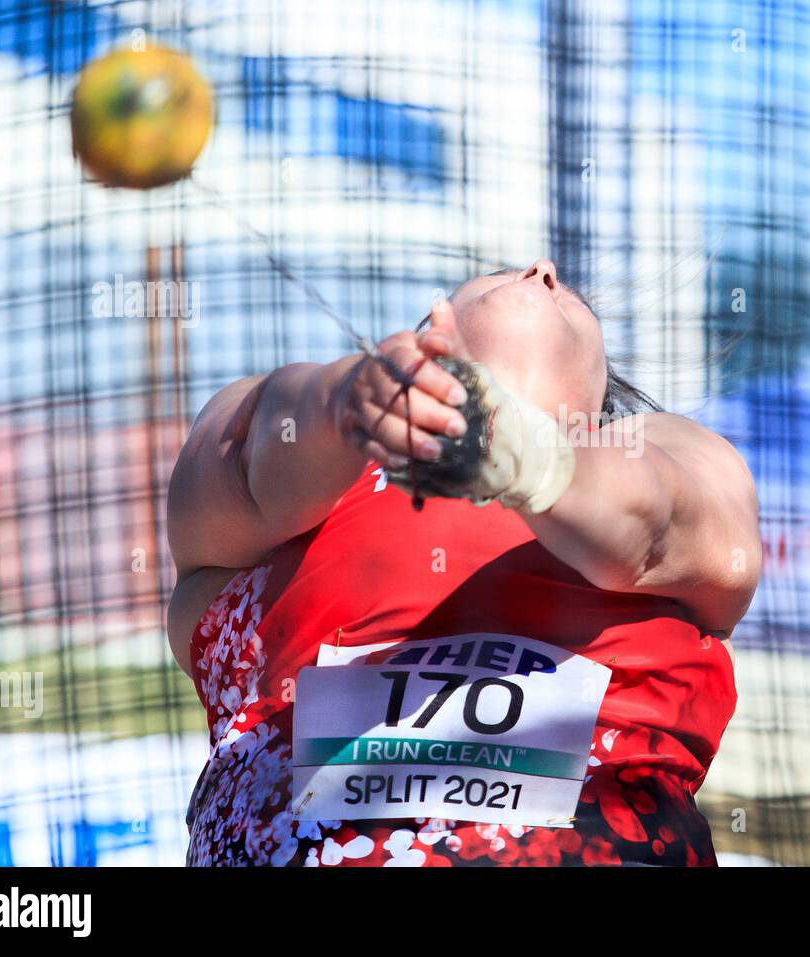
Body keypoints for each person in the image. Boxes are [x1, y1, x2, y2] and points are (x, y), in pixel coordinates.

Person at [166, 260, 760, 866]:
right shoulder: (305, 471)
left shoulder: (663, 446)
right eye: (498, 272)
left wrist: (521, 449)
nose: (542, 269)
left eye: (573, 296)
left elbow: (655, 517)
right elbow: (252, 447)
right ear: (427, 330)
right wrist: (350, 402)